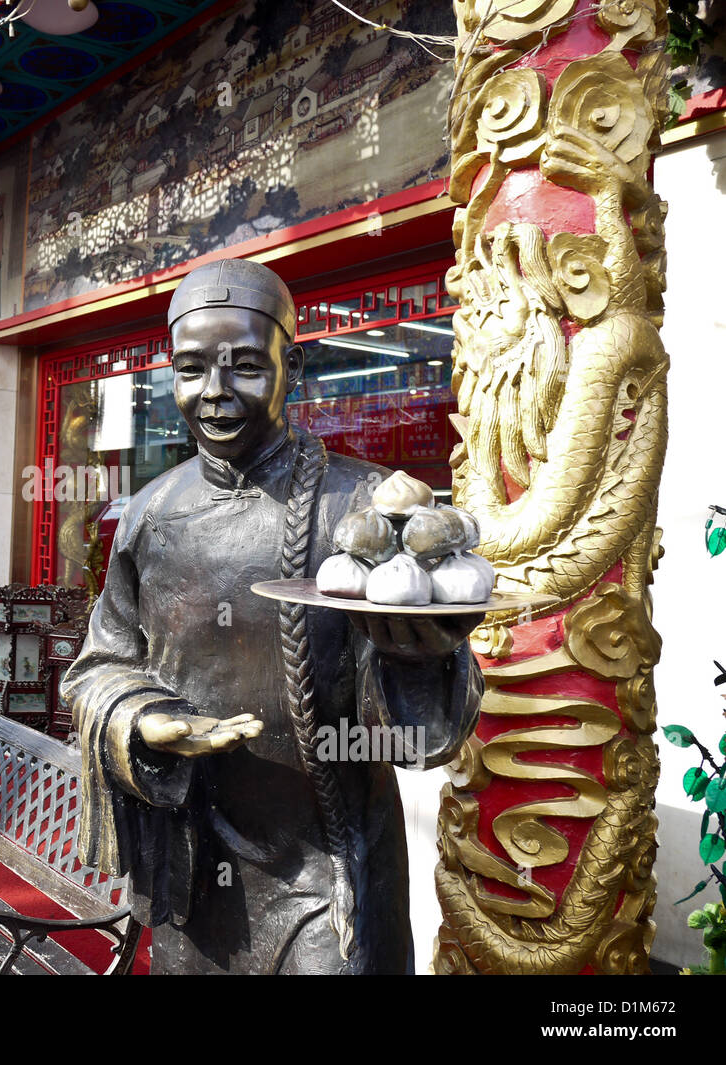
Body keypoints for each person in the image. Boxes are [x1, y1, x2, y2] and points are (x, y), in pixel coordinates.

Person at [61, 258, 484, 974]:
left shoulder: (362, 508)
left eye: (246, 367)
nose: (215, 393)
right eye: (191, 369)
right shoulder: (150, 513)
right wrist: (140, 718)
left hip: (328, 876)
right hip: (195, 865)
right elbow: (100, 662)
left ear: (293, 365)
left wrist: (423, 658)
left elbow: (415, 742)